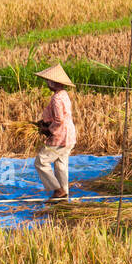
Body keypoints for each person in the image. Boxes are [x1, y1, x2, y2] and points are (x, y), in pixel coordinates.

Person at [34, 64, 76, 201]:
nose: (47, 83)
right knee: (61, 164)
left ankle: (57, 190)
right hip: (69, 136)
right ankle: (64, 194)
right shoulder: (64, 95)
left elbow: (59, 120)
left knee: (41, 161)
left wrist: (48, 130)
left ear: (54, 82)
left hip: (60, 137)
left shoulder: (57, 99)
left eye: (48, 81)